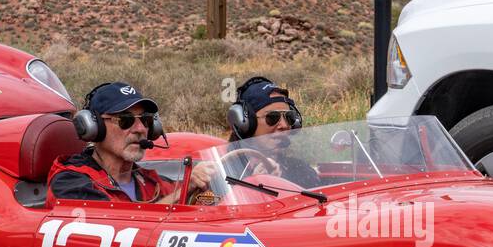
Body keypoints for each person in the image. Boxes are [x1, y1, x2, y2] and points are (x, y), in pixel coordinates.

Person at [48, 82, 214, 203]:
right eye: (125, 120)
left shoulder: (153, 183)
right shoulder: (71, 182)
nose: (140, 129)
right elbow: (120, 230)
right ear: (94, 126)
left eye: (146, 119)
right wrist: (182, 191)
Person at [226, 76, 317, 186]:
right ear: (244, 122)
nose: (284, 125)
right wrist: (252, 184)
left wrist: (283, 178)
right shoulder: (221, 173)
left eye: (289, 117)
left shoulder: (300, 170)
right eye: (272, 117)